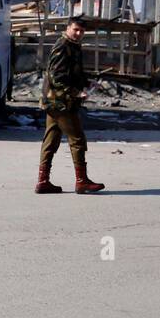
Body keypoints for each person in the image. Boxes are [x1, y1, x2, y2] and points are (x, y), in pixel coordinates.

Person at [36, 17, 104, 195]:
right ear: (68, 28)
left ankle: (43, 182)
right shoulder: (62, 46)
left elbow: (73, 73)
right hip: (61, 102)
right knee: (77, 140)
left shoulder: (73, 46)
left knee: (51, 140)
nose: (79, 34)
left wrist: (87, 83)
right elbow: (57, 77)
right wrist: (75, 92)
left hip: (55, 101)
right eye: (76, 30)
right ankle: (82, 182)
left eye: (82, 31)